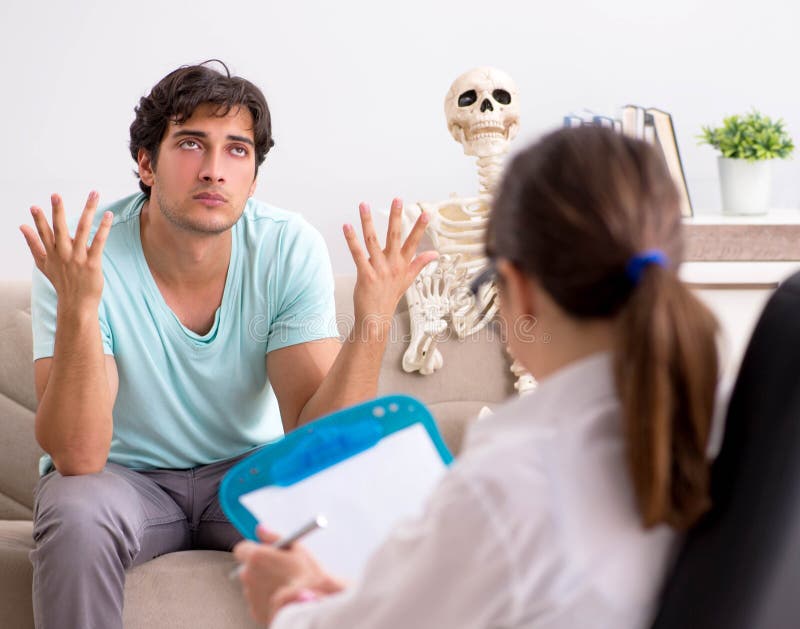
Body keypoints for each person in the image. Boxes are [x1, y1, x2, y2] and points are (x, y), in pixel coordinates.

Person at [232, 125, 721, 629]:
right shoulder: (727, 425)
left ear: (517, 289)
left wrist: (289, 605)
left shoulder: (510, 483)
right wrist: (359, 605)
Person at [19, 60, 436, 629]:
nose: (214, 170)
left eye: (237, 150)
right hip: (122, 478)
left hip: (247, 472)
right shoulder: (81, 257)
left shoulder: (286, 248)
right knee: (76, 513)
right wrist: (80, 307)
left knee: (343, 513)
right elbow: (79, 456)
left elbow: (317, 438)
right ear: (147, 164)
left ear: (254, 178)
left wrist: (374, 320)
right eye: (191, 144)